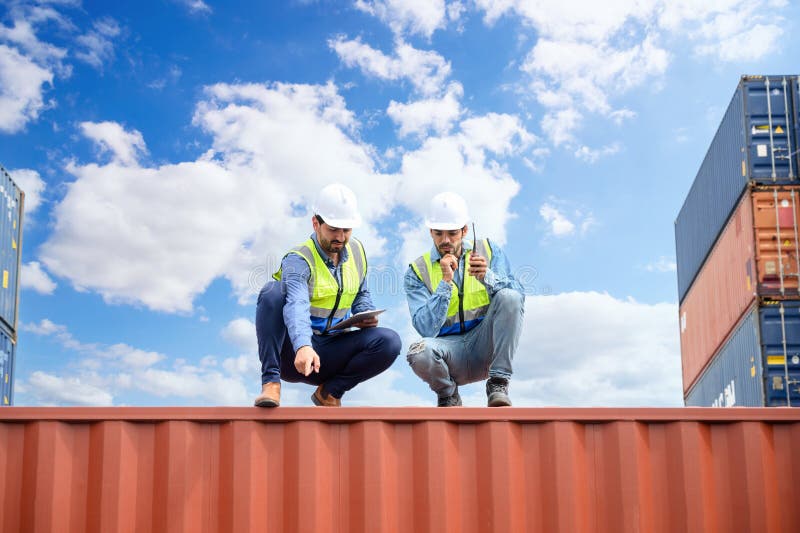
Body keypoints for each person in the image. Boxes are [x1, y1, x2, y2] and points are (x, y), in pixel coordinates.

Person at [254, 183, 401, 407]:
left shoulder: (357, 251)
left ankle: (330, 392)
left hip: (330, 353)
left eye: (347, 230)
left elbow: (361, 293)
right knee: (272, 292)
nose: (340, 237)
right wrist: (303, 346)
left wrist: (365, 314)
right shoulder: (298, 258)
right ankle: (271, 384)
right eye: (333, 229)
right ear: (316, 223)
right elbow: (296, 304)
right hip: (295, 356)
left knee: (389, 341)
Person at [404, 192, 525, 407]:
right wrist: (445, 282)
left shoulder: (489, 251)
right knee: (419, 351)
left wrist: (487, 277)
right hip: (450, 353)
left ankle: (498, 383)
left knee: (509, 296)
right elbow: (425, 328)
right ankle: (448, 395)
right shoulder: (417, 270)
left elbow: (517, 298)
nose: (445, 240)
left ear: (464, 230)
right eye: (438, 233)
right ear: (430, 231)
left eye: (452, 233)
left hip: (485, 345)